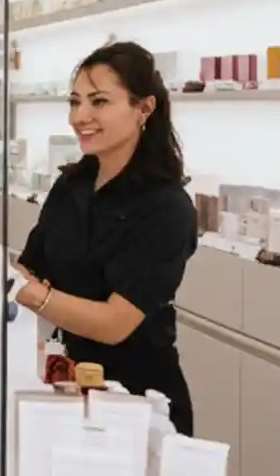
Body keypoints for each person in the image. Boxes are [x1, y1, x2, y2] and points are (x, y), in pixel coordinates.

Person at [15, 41, 198, 435]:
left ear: (144, 108)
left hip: (135, 403)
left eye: (98, 102)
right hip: (67, 387)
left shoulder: (167, 209)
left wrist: (36, 295)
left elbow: (115, 323)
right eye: (74, 102)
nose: (81, 116)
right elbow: (30, 266)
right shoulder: (71, 185)